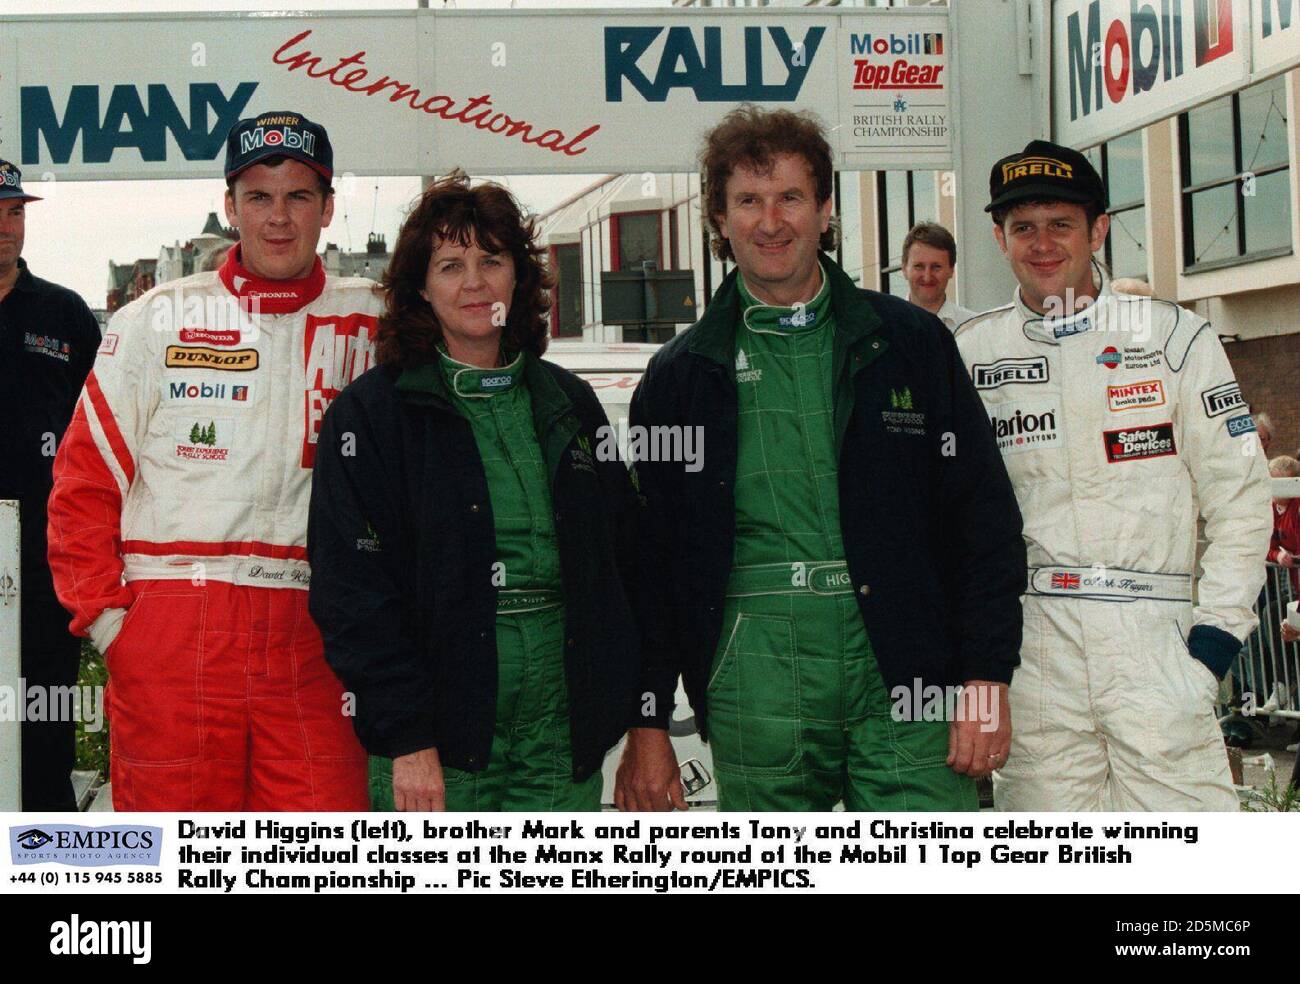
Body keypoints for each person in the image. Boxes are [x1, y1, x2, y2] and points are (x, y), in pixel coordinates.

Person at [616, 106, 1026, 812]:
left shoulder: (910, 343)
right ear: (719, 218)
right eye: (748, 200)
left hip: (906, 665)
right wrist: (649, 719)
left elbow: (981, 519)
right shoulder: (679, 376)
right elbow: (649, 567)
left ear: (826, 209)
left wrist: (986, 674)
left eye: (791, 198)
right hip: (755, 676)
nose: (770, 221)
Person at [46, 111, 380, 810]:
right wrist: (112, 628)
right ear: (230, 207)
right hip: (174, 629)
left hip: (319, 632)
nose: (278, 217)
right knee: (177, 857)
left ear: (328, 209)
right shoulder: (155, 320)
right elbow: (82, 487)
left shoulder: (377, 321)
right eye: (258, 196)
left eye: (299, 196)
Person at [955, 138, 1273, 811]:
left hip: (1157, 642)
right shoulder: (969, 352)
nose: (1042, 243)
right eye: (1023, 227)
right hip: (1034, 650)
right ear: (999, 237)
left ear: (1099, 228)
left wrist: (1211, 645)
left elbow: (1242, 500)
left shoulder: (1175, 338)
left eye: (1061, 224)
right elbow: (944, 519)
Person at [307, 173, 640, 812]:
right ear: (420, 288)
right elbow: (353, 590)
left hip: (560, 724)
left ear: (519, 278)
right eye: (451, 264)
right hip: (438, 727)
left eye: (492, 259)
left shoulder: (568, 402)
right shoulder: (373, 415)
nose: (475, 282)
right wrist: (406, 737)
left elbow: (626, 561)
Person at [0, 160, 100, 810]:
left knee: (43, 741)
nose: (5, 227)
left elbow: (106, 435)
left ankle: (48, 872)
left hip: (43, 569)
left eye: (14, 211)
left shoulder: (64, 315)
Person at [901, 222, 975, 330]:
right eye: (919, 266)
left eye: (936, 267)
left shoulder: (973, 326)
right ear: (904, 269)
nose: (927, 277)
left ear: (951, 270)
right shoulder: (884, 326)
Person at [1268, 456, 1300, 603]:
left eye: (1284, 484)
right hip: (1287, 582)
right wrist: (1278, 556)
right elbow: (1263, 546)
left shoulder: (1297, 507)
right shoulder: (1268, 509)